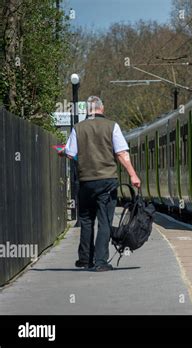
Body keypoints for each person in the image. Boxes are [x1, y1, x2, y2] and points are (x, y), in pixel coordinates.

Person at [64, 96, 140, 272]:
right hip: (107, 181)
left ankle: (84, 259)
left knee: (86, 220)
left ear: (87, 110)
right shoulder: (112, 126)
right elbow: (121, 153)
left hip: (86, 182)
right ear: (102, 109)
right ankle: (100, 262)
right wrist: (133, 175)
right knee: (104, 221)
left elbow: (70, 153)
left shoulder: (78, 128)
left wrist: (69, 154)